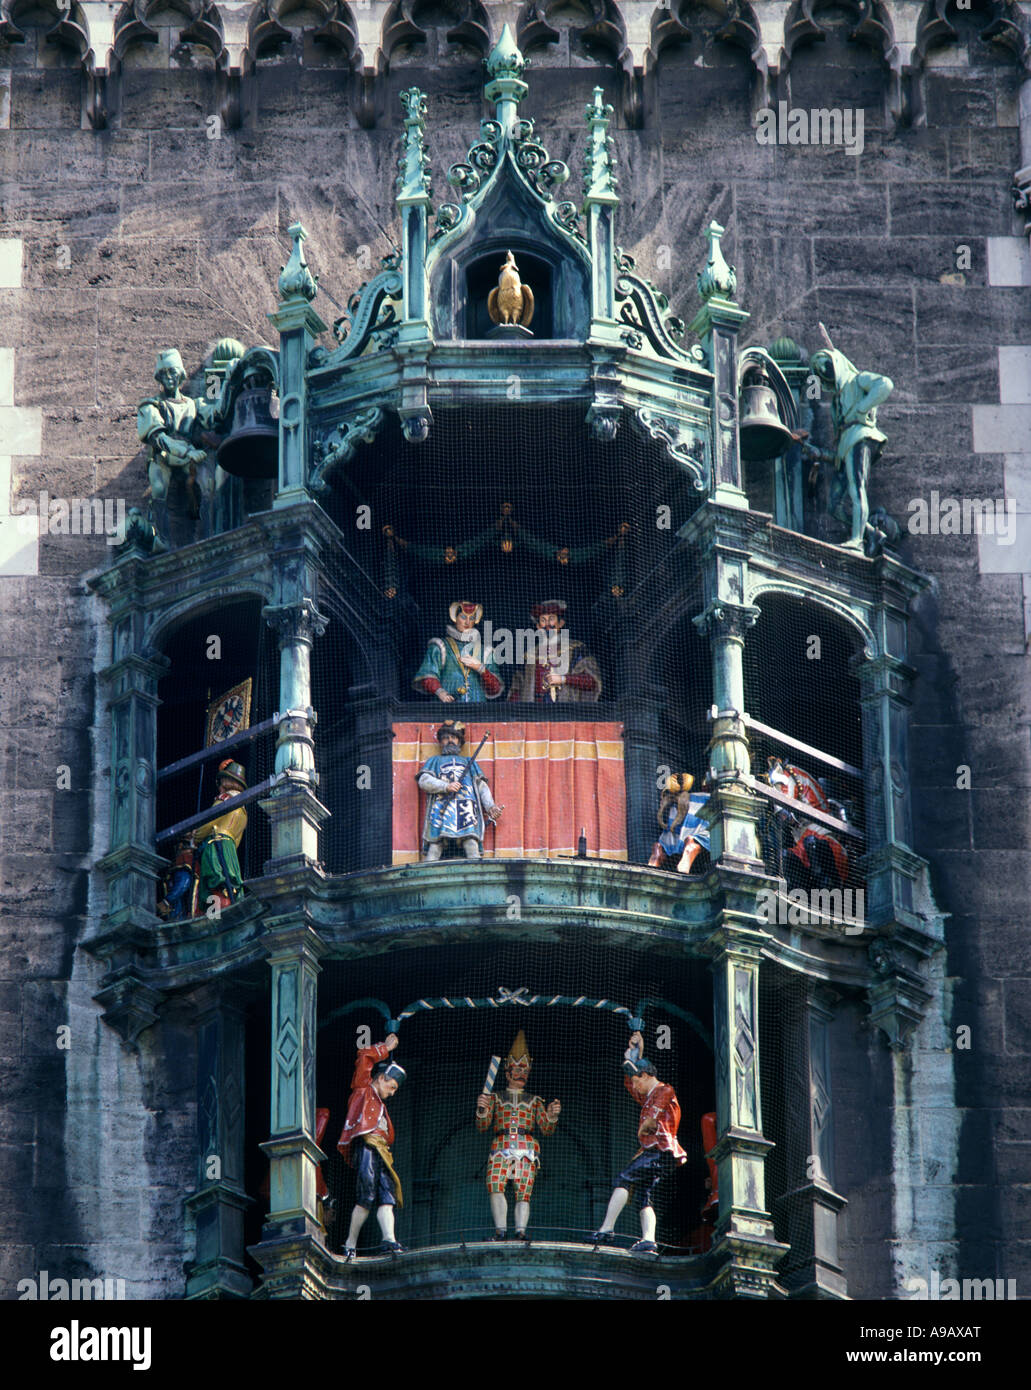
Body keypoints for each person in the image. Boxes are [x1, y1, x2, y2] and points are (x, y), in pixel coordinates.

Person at [591, 1030, 686, 1253]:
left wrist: (647, 1126)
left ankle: (606, 1229)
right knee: (644, 1194)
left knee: (624, 1178)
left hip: (660, 1151)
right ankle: (648, 1240)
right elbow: (631, 1083)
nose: (634, 1086)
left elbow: (652, 1120)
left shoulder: (664, 1089)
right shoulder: (648, 1093)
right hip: (656, 1152)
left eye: (637, 1081)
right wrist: (634, 1052)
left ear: (645, 1075)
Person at [809, 325, 893, 551]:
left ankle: (856, 540)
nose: (822, 370)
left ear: (835, 363)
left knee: (857, 489)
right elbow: (839, 453)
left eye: (824, 364)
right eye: (818, 369)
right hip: (848, 443)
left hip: (861, 437)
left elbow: (885, 384)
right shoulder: (837, 404)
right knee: (834, 506)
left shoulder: (857, 380)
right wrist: (820, 454)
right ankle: (870, 532)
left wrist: (863, 407)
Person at [475, 1031, 560, 1241]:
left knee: (523, 1191)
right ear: (507, 1071)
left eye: (525, 1070)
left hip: (527, 1148)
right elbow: (483, 1126)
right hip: (500, 1146)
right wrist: (482, 1109)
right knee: (495, 1184)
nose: (521, 1073)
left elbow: (546, 1129)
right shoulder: (494, 1097)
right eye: (517, 1069)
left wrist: (551, 1116)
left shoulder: (534, 1100)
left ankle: (520, 1231)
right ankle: (500, 1231)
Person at [337, 1034, 407, 1257]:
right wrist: (384, 1048)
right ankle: (350, 1243)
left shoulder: (382, 1107)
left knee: (388, 1196)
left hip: (381, 1152)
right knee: (366, 1197)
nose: (393, 1093)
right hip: (367, 1147)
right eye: (392, 1087)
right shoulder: (363, 1089)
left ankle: (389, 1239)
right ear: (381, 1078)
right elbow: (364, 1056)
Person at [137, 348, 218, 539]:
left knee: (207, 483)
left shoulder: (193, 404)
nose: (168, 378)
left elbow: (214, 414)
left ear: (180, 373)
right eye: (163, 373)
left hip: (189, 458)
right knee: (158, 486)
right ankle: (161, 538)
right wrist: (187, 451)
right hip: (164, 455)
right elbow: (158, 437)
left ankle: (208, 533)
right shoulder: (151, 405)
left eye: (172, 372)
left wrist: (227, 384)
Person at [417, 720, 501, 860]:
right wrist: (445, 786)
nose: (450, 741)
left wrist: (490, 806)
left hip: (465, 807)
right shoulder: (435, 761)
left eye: (453, 737)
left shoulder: (469, 762)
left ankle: (477, 875)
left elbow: (481, 786)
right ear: (441, 741)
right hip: (442, 805)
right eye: (446, 738)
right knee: (436, 844)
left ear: (459, 741)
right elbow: (424, 780)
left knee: (470, 842)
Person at [506, 599, 601, 702]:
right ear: (538, 626)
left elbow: (592, 682)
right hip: (534, 713)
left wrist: (563, 679)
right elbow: (517, 689)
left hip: (565, 711)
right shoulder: (529, 656)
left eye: (551, 619)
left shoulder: (576, 649)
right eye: (543, 620)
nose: (548, 624)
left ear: (561, 623)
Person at [413, 601, 503, 702]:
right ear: (455, 618)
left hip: (477, 709)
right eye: (463, 617)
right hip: (446, 708)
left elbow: (495, 689)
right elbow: (427, 676)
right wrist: (440, 692)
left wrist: (480, 668)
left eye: (472, 618)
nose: (467, 622)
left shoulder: (485, 652)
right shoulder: (440, 646)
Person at [194, 759, 247, 911]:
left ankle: (213, 916)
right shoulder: (243, 810)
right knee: (229, 883)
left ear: (226, 781)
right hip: (230, 848)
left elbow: (209, 822)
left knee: (214, 880)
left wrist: (195, 837)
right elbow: (238, 838)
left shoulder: (224, 800)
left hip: (215, 844)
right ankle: (225, 913)